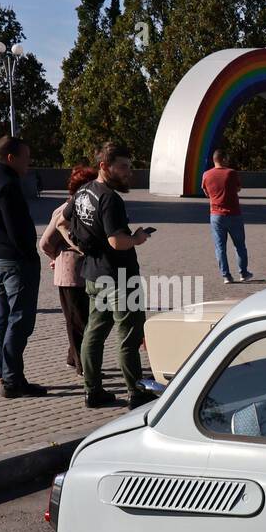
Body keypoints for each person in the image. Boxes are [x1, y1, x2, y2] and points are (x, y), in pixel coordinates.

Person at [71, 140, 153, 409]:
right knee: (128, 334)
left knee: (94, 333)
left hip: (94, 276)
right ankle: (136, 392)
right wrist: (138, 238)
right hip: (120, 278)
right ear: (104, 166)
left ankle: (92, 390)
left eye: (130, 167)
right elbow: (117, 241)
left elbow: (63, 221)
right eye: (123, 167)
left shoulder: (83, 192)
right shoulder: (109, 198)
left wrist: (83, 248)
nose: (128, 172)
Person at [0, 135, 46, 398]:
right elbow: (18, 229)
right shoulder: (7, 184)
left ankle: (2, 374)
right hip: (16, 262)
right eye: (25, 157)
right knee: (20, 321)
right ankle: (14, 380)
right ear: (10, 158)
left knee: (1, 319)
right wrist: (31, 255)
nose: (29, 162)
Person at [39, 165, 96, 375]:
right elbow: (45, 242)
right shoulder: (63, 211)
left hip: (89, 273)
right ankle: (84, 367)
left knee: (84, 320)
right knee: (78, 322)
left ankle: (73, 358)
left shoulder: (91, 208)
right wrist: (56, 257)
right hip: (70, 275)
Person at [202, 149, 251, 284]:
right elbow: (238, 188)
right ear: (223, 159)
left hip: (216, 216)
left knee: (220, 247)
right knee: (240, 245)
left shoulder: (206, 175)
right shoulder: (231, 173)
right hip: (234, 214)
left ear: (214, 159)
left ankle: (226, 276)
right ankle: (243, 273)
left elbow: (206, 192)